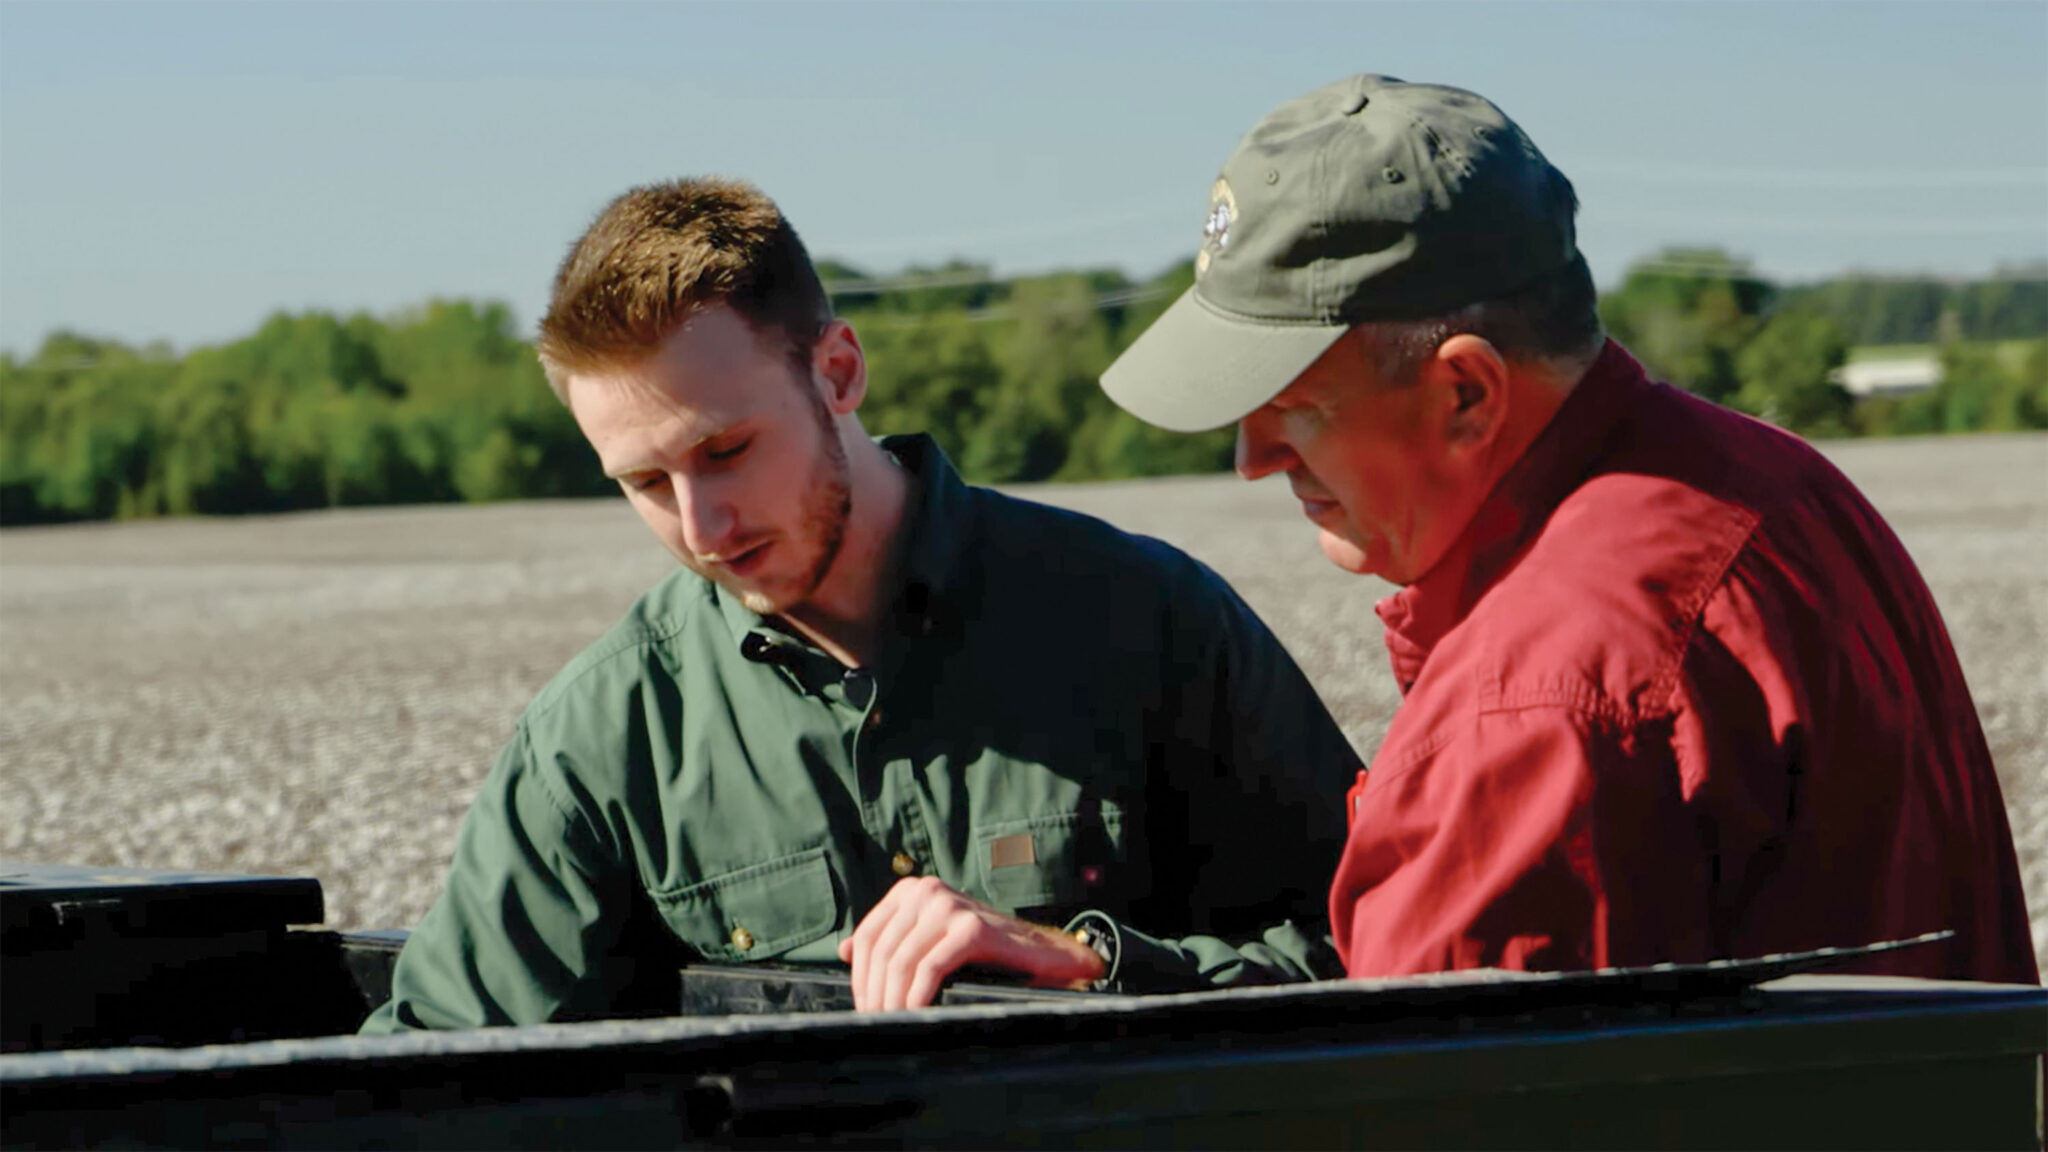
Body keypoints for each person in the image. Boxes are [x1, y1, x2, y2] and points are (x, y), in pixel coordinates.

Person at [1098, 74, 2038, 984]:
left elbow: (1429, 1080)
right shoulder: (1776, 481)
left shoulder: (1534, 707)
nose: (1252, 458)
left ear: (1467, 394)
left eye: (1295, 409)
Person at [361, 177, 1362, 1030]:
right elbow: (423, 1074)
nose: (701, 526)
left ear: (837, 372)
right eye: (646, 483)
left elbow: (1377, 957)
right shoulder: (600, 741)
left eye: (725, 450)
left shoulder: (1146, 623)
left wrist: (1091, 964)